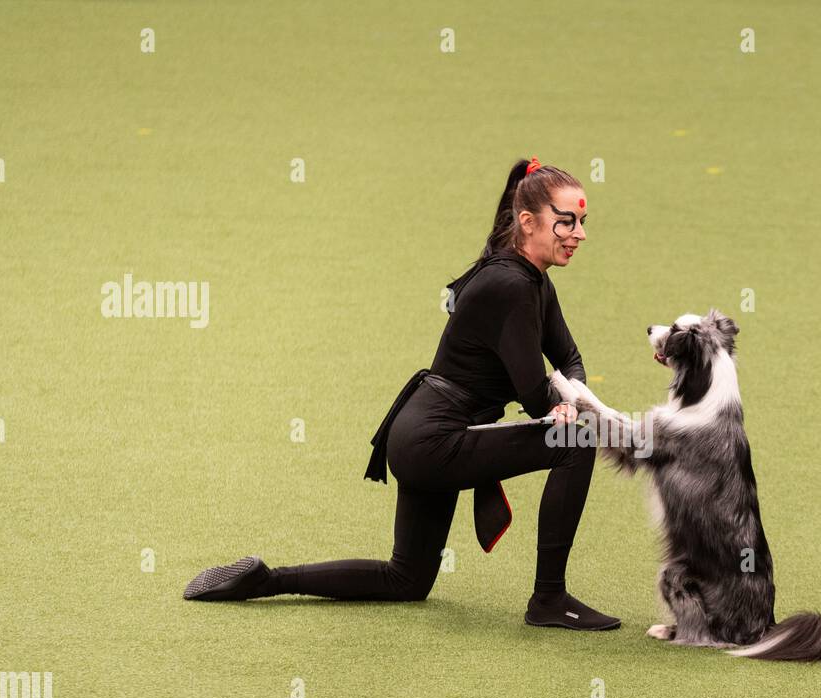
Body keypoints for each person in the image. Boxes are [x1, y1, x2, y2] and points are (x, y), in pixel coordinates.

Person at [183, 156, 621, 631]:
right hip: (436, 440)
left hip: (423, 435)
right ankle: (549, 601)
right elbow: (535, 392)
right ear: (528, 221)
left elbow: (568, 357)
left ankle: (266, 580)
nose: (579, 233)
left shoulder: (531, 279)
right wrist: (566, 409)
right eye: (566, 222)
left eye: (582, 222)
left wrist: (572, 398)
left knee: (406, 580)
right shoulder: (509, 285)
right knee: (575, 444)